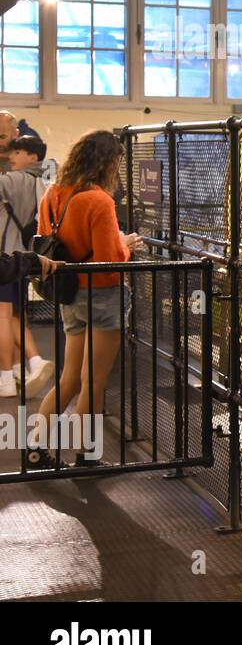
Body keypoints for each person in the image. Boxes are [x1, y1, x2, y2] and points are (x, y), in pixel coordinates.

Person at [26, 130, 143, 469]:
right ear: (108, 162)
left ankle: (35, 447)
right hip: (102, 296)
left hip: (69, 293)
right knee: (94, 381)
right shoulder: (99, 200)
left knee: (69, 378)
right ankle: (85, 455)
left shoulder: (53, 194)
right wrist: (126, 244)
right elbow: (108, 262)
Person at [0, 136, 53, 397]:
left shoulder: (15, 180)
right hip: (24, 258)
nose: (11, 156)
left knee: (2, 319)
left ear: (33, 157)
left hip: (6, 259)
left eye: (17, 151)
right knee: (15, 318)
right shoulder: (43, 182)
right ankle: (22, 369)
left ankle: (24, 367)